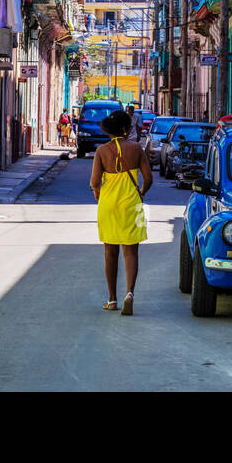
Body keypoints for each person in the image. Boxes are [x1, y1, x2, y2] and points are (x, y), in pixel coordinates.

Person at [90, 109, 152, 315]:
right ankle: (130, 293)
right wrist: (140, 192)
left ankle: (112, 299)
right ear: (126, 129)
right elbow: (148, 179)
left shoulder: (101, 151)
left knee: (110, 251)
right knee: (131, 251)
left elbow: (94, 182)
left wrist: (98, 194)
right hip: (132, 204)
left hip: (108, 204)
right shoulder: (137, 149)